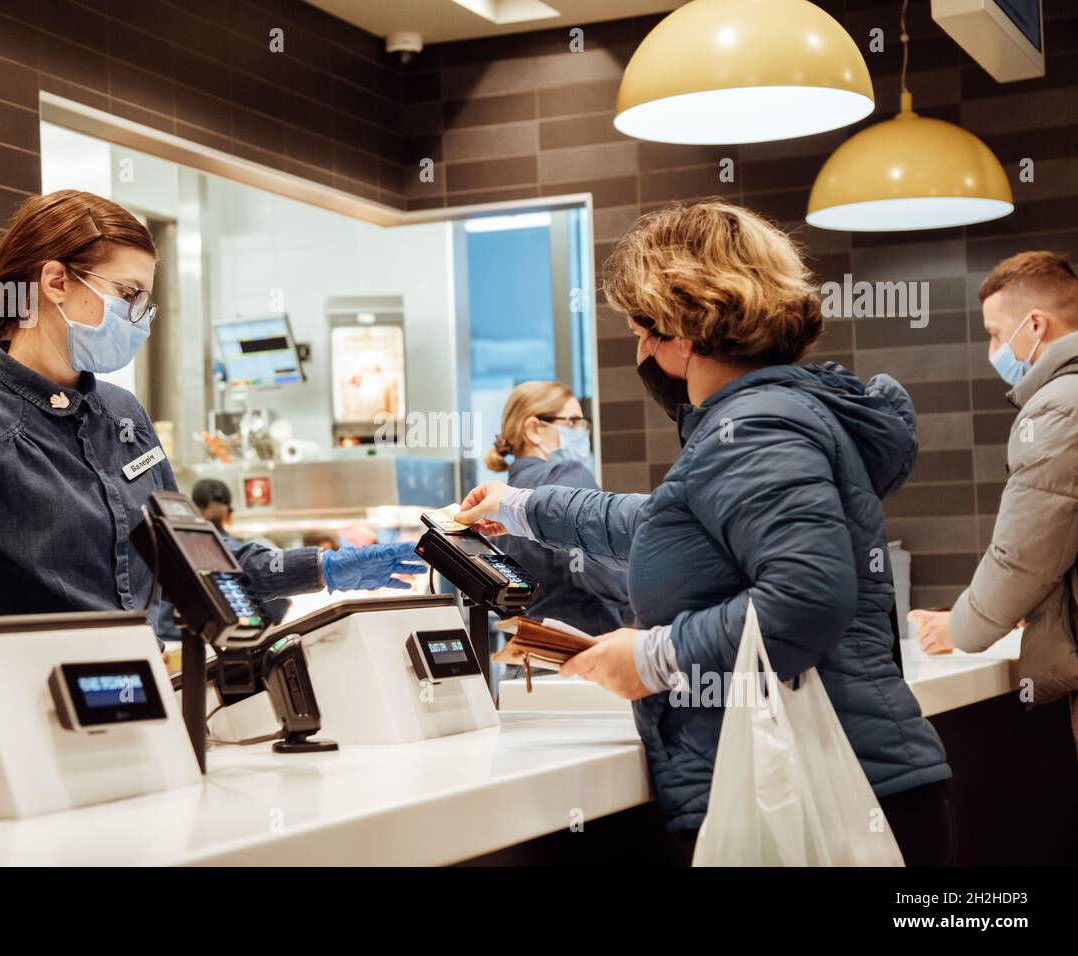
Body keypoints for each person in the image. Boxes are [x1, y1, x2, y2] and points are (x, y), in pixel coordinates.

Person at [457, 200, 955, 865]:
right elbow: (664, 525)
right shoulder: (766, 416)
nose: (637, 351)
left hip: (830, 797)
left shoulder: (752, 427)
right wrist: (520, 506)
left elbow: (807, 597)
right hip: (855, 785)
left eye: (642, 330)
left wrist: (650, 658)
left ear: (683, 330)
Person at [0, 190, 424, 644]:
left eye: (146, 300)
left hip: (144, 695)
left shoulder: (123, 415)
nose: (139, 317)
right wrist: (14, 676)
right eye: (128, 295)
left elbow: (196, 553)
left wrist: (320, 569)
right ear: (54, 282)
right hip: (34, 720)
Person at [910, 252, 1078, 745]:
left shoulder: (1059, 406)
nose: (993, 350)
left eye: (995, 333)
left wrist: (960, 628)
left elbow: (1024, 557)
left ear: (1035, 324)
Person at [483, 381, 629, 636]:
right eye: (572, 422)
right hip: (578, 657)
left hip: (523, 659)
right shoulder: (565, 476)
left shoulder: (504, 496)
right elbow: (602, 568)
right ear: (533, 429)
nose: (582, 433)